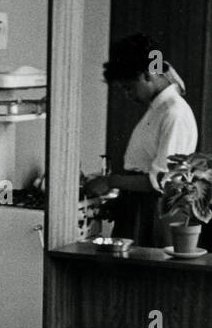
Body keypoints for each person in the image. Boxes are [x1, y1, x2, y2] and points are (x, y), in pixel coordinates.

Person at [84, 32, 199, 246]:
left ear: (147, 75)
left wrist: (110, 181)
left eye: (128, 87)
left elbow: (160, 182)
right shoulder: (157, 109)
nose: (128, 95)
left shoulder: (174, 113)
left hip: (153, 213)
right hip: (138, 208)